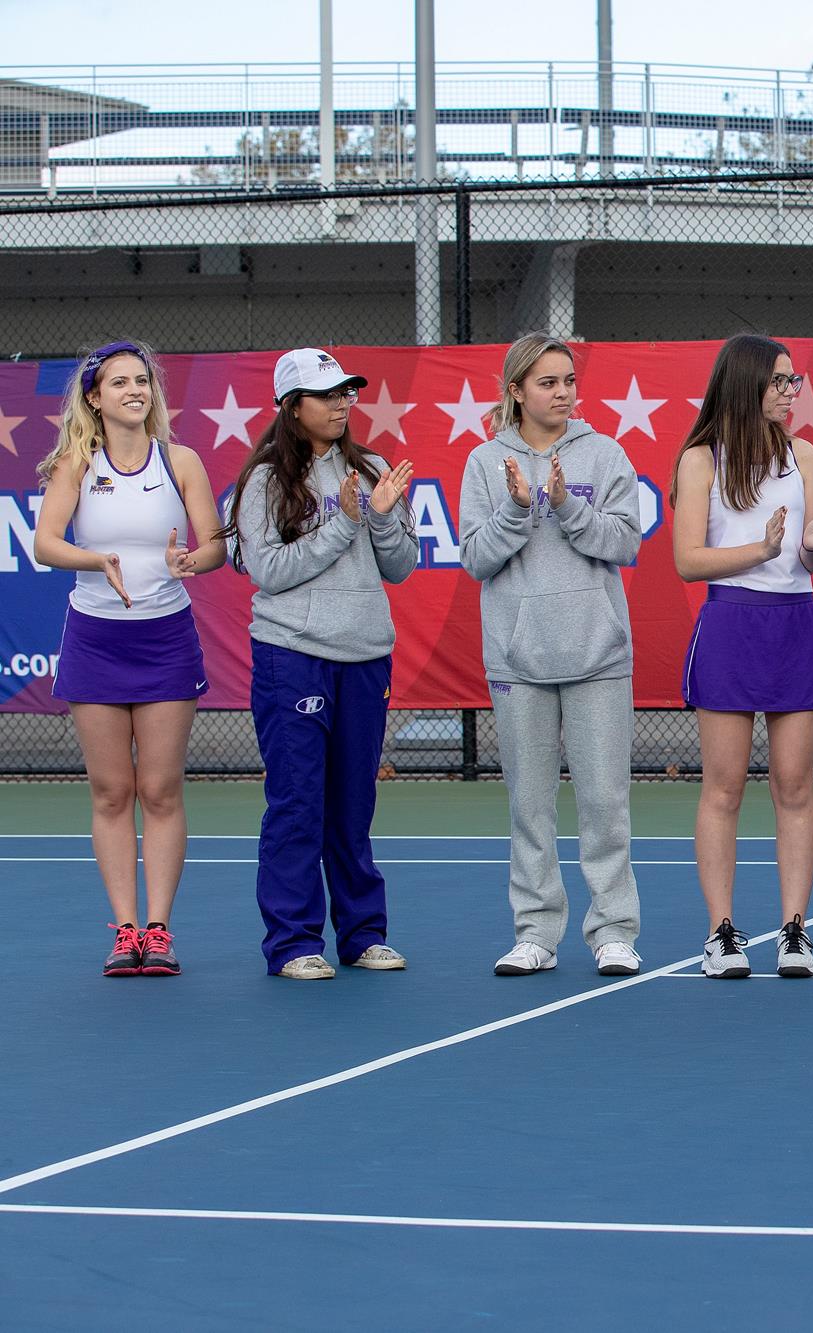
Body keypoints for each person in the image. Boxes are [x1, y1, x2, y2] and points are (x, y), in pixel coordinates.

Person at [222, 349, 417, 980]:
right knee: (297, 803)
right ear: (290, 406)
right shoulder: (264, 482)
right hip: (292, 658)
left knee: (353, 803)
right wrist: (345, 523)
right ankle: (292, 942)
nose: (341, 403)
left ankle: (362, 936)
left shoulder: (373, 468)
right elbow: (270, 573)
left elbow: (400, 566)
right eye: (325, 394)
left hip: (364, 656)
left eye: (346, 393)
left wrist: (382, 519)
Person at [33, 340, 223, 977]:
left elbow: (214, 546)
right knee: (112, 792)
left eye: (142, 381)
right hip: (94, 637)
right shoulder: (75, 465)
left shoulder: (182, 460)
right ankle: (125, 931)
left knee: (160, 790)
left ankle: (160, 930)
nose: (135, 391)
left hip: (166, 638)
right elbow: (46, 545)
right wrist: (97, 561)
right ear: (95, 397)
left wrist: (189, 562)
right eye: (120, 383)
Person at [461, 334, 645, 979]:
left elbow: (625, 544)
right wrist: (516, 511)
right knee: (530, 806)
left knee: (603, 804)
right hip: (518, 663)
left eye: (569, 380)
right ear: (516, 391)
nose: (563, 392)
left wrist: (567, 505)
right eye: (548, 382)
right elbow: (477, 558)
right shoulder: (484, 462)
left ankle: (613, 931)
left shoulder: (605, 452)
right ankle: (536, 932)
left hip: (598, 656)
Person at [672, 333, 813, 979]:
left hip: (795, 623)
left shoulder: (805, 454)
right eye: (779, 381)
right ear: (747, 384)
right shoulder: (700, 460)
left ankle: (795, 931)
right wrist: (760, 550)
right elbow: (689, 561)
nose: (790, 391)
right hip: (731, 623)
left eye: (794, 380)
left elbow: (807, 559)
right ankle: (721, 934)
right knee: (724, 786)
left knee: (795, 785)